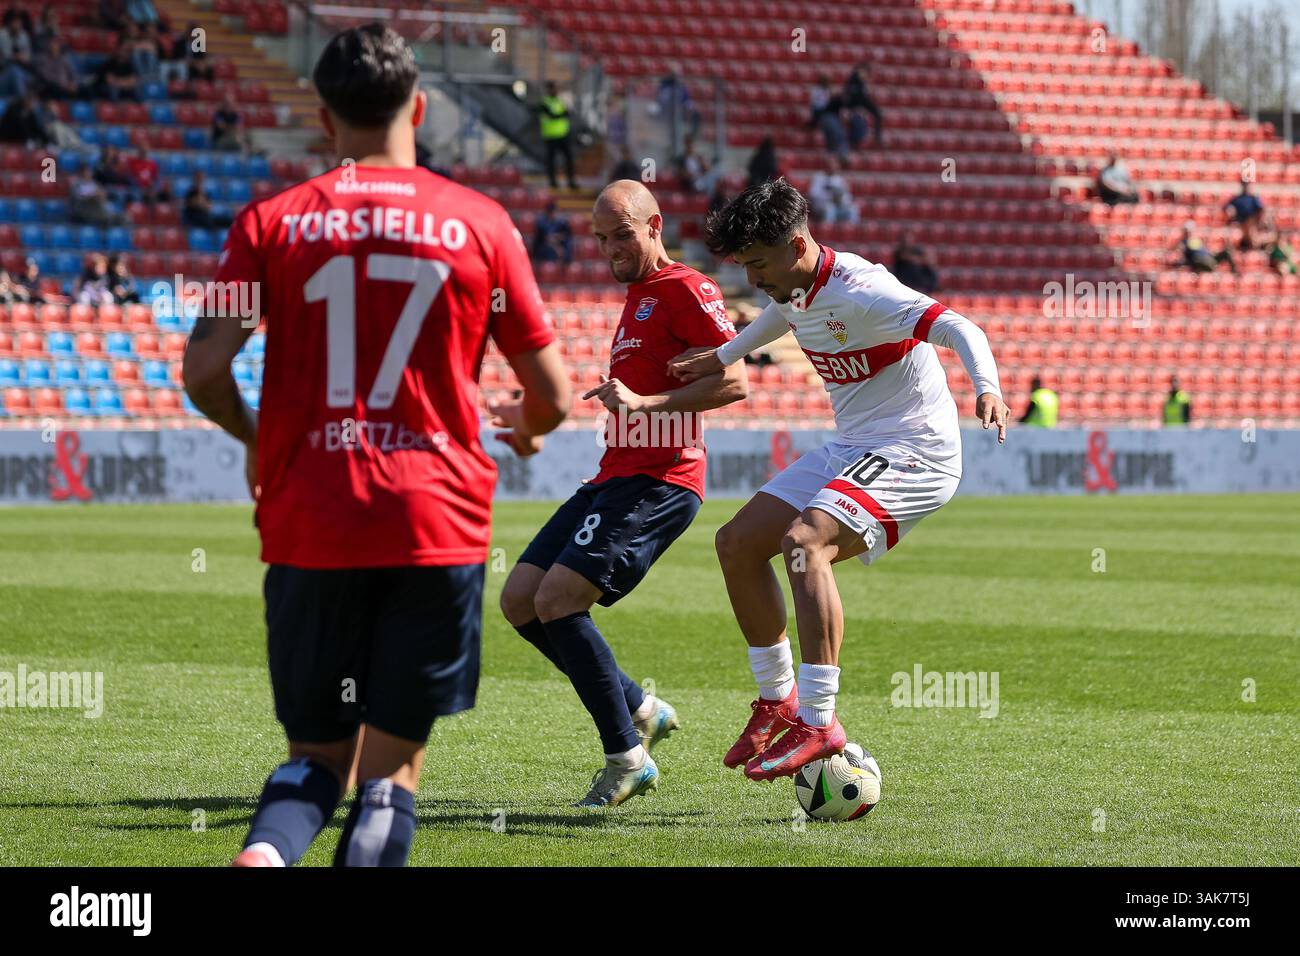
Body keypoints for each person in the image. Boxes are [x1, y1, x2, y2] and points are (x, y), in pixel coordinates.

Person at [182, 24, 568, 868]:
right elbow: (552, 396)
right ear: (420, 109)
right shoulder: (481, 223)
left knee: (316, 759)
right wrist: (529, 432)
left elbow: (206, 368)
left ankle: (266, 855)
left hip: (312, 518)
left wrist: (256, 439)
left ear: (324, 122)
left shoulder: (271, 224)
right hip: (435, 523)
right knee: (390, 773)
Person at [667, 179, 1007, 781]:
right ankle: (779, 700)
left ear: (797, 244)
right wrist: (723, 356)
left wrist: (988, 388)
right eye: (744, 266)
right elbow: (782, 312)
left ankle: (820, 721)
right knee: (737, 544)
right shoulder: (794, 283)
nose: (753, 280)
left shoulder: (864, 288)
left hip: (915, 450)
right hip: (853, 446)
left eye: (757, 264)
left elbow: (961, 328)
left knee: (804, 545)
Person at [498, 179, 746, 809]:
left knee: (558, 600)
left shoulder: (688, 289)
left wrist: (647, 401)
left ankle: (626, 756)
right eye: (602, 238)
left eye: (621, 234)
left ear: (654, 224)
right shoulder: (639, 296)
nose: (610, 248)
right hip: (614, 475)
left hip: (662, 479)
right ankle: (638, 705)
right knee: (520, 600)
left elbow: (734, 381)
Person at [537, 80, 577, 190]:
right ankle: (552, 181)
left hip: (563, 134)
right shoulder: (544, 103)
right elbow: (552, 116)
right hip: (550, 136)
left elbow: (568, 113)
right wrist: (562, 114)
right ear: (548, 90)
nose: (555, 91)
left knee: (569, 159)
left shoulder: (561, 101)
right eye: (553, 88)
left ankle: (571, 181)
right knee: (551, 160)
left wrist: (562, 114)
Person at [841, 61, 884, 147]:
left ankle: (877, 135)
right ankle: (851, 142)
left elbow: (863, 96)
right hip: (853, 105)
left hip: (860, 103)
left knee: (877, 114)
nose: (866, 75)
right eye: (865, 72)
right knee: (857, 123)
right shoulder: (852, 81)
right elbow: (848, 95)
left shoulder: (860, 81)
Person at [808, 156, 858, 225]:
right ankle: (827, 232)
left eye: (835, 165)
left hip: (837, 206)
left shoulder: (840, 179)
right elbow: (813, 194)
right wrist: (829, 196)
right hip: (822, 207)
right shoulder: (819, 177)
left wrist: (841, 199)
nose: (833, 167)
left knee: (852, 209)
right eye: (831, 164)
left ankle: (851, 232)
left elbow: (847, 197)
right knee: (830, 209)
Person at [891, 230, 939, 294]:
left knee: (931, 271)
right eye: (905, 239)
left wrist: (924, 259)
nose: (907, 241)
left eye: (909, 239)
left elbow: (929, 261)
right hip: (905, 280)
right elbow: (905, 257)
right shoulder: (899, 251)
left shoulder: (917, 250)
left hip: (918, 280)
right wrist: (921, 259)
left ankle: (930, 288)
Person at [1224, 180, 1266, 250]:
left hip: (1251, 221)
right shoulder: (1237, 198)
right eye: (1244, 185)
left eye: (1247, 185)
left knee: (1252, 237)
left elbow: (1261, 209)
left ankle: (1253, 249)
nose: (1246, 187)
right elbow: (1226, 207)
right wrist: (1230, 210)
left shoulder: (1253, 198)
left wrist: (1257, 221)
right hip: (1239, 222)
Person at [530, 200, 573, 265]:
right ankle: (550, 267)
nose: (555, 214)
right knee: (549, 249)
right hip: (543, 247)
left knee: (568, 243)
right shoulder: (542, 222)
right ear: (548, 212)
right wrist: (557, 248)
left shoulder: (561, 222)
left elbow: (566, 234)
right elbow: (545, 239)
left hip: (557, 243)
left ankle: (565, 263)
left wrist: (558, 238)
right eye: (553, 212)